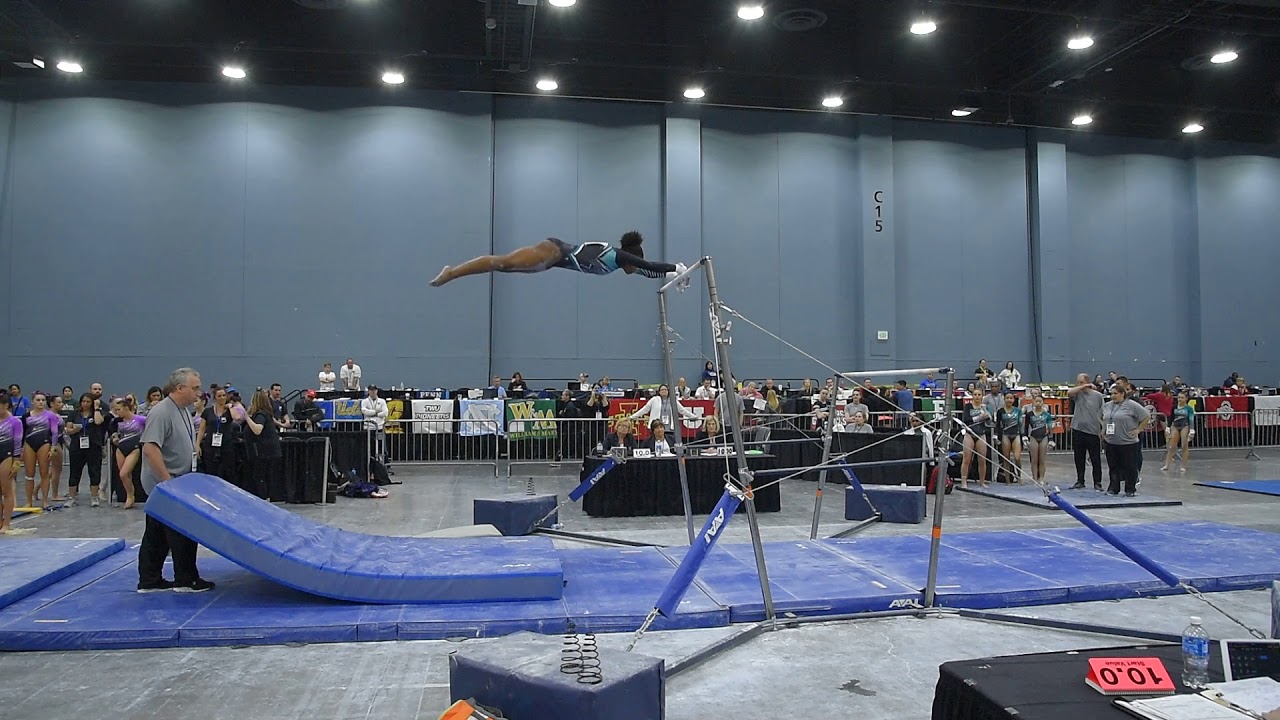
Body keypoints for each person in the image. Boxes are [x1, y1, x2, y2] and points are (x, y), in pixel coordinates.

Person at [137, 368, 214, 593]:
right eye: (195, 388)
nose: (199, 392)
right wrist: (167, 482)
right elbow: (150, 449)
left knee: (157, 532)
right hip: (167, 484)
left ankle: (149, 580)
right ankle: (186, 578)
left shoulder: (183, 411)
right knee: (182, 531)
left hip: (178, 481)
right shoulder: (161, 412)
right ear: (180, 388)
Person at [430, 231, 685, 286]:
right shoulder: (619, 256)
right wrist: (678, 267)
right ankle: (451, 272)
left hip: (551, 261)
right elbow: (649, 265)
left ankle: (453, 272)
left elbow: (651, 272)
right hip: (552, 252)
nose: (634, 271)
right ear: (631, 260)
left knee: (504, 268)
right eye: (634, 267)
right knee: (503, 262)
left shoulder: (623, 266)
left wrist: (676, 275)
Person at [1102, 385, 1150, 497]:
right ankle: (1114, 488)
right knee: (1113, 466)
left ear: (1122, 394)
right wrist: (1103, 430)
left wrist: (1139, 429)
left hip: (1128, 442)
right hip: (1111, 441)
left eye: (1115, 393)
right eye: (1111, 394)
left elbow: (1146, 416)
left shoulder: (1132, 405)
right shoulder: (1108, 406)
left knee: (1130, 466)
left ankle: (1130, 489)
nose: (1113, 396)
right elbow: (1104, 418)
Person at [21, 392, 62, 509]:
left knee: (44, 473)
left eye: (43, 400)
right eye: (38, 400)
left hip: (44, 444)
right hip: (29, 444)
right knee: (29, 474)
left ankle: (45, 500)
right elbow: (23, 434)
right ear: (33, 401)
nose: (41, 402)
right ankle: (29, 501)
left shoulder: (50, 416)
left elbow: (54, 432)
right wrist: (20, 450)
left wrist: (53, 447)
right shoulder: (26, 416)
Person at [65, 394, 107, 507]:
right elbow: (67, 429)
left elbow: (99, 422)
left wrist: (97, 408)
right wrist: (74, 430)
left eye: (88, 402)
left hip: (93, 445)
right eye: (83, 401)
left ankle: (94, 496)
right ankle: (72, 497)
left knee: (94, 471)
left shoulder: (97, 413)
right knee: (74, 471)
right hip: (77, 445)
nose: (85, 404)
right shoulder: (74, 414)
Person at [1068, 373, 1105, 490]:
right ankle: (1080, 480)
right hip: (1078, 429)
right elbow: (1069, 393)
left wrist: (1103, 429)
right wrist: (1083, 386)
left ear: (1087, 382)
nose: (1079, 385)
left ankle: (1097, 482)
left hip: (1093, 431)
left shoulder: (1098, 396)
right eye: (1078, 382)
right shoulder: (1078, 394)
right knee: (1079, 457)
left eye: (1081, 382)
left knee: (1095, 458)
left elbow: (1103, 413)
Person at [242, 390, 282, 500]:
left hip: (264, 452)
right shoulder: (266, 414)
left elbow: (257, 430)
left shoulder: (260, 415)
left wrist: (247, 417)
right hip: (267, 452)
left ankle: (264, 498)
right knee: (263, 476)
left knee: (260, 477)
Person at [196, 387, 237, 482]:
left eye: (224, 395)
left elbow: (237, 417)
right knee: (211, 473)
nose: (222, 398)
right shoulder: (208, 412)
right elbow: (202, 429)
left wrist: (230, 407)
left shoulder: (229, 411)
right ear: (215, 398)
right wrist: (197, 444)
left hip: (227, 446)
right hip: (211, 447)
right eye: (219, 396)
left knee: (229, 473)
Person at [111, 396, 145, 509]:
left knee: (124, 473)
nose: (117, 412)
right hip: (121, 448)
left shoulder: (140, 419)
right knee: (124, 475)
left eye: (119, 410)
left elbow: (152, 426)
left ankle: (131, 495)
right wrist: (115, 437)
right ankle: (129, 494)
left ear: (126, 408)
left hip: (134, 447)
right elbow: (114, 432)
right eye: (115, 410)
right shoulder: (117, 421)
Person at [0, 394, 25, 534]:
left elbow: (17, 442)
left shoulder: (15, 422)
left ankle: (7, 523)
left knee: (6, 490)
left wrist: (16, 460)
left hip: (7, 456)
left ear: (5, 406)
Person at [959, 392, 991, 488]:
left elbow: (990, 421)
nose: (977, 397)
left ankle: (982, 481)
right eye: (975, 394)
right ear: (972, 396)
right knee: (967, 459)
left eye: (979, 395)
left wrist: (986, 412)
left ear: (982, 396)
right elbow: (965, 419)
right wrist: (978, 418)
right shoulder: (968, 406)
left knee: (982, 460)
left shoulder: (984, 407)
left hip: (981, 434)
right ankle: (964, 481)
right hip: (970, 434)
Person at [629, 384, 695, 430]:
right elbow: (644, 410)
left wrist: (692, 416)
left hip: (669, 428)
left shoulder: (673, 400)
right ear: (659, 392)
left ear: (668, 391)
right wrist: (632, 417)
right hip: (656, 428)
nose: (664, 391)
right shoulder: (654, 399)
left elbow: (682, 410)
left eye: (665, 389)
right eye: (662, 390)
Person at [1024, 391, 1054, 486]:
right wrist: (1025, 437)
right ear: (1033, 402)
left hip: (1043, 437)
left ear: (1043, 403)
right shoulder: (1030, 414)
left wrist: (1051, 440)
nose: (1038, 403)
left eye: (1040, 401)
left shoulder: (1047, 415)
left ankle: (1041, 478)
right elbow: (1026, 426)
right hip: (1033, 436)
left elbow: (1049, 428)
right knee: (1034, 459)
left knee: (1042, 459)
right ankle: (1034, 478)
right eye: (1036, 401)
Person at [1162, 391, 1195, 473]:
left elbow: (1191, 419)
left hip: (1185, 426)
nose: (1180, 399)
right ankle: (1167, 465)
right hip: (1175, 426)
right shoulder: (1174, 407)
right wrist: (1168, 427)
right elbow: (1171, 417)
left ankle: (1183, 466)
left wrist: (1192, 429)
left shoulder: (1189, 408)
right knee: (1171, 446)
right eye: (1179, 397)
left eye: (1182, 397)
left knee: (1184, 446)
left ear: (1186, 398)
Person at [995, 392, 1023, 484]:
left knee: (1017, 457)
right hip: (1005, 435)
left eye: (1011, 398)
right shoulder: (1000, 411)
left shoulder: (1018, 411)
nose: (1009, 400)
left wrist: (1023, 436)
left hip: (1016, 435)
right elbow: (998, 425)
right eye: (1007, 398)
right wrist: (997, 437)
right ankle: (1007, 480)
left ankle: (1019, 477)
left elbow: (1020, 424)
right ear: (1004, 399)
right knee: (1006, 458)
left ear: (1013, 400)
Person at [361, 386, 390, 466]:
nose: (373, 392)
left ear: (377, 391)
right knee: (369, 448)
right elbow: (364, 411)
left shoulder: (382, 401)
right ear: (368, 391)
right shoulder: (365, 401)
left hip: (380, 427)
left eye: (374, 390)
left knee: (382, 447)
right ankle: (368, 464)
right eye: (371, 390)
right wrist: (376, 412)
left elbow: (385, 413)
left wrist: (373, 413)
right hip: (368, 427)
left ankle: (386, 464)